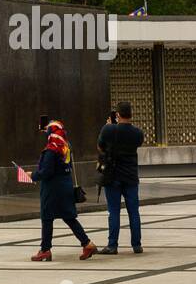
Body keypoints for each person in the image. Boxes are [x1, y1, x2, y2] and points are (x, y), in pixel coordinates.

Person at [30, 119, 97, 262]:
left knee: (47, 218)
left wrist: (32, 175)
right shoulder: (66, 146)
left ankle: (45, 250)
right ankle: (87, 244)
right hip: (66, 185)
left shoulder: (51, 150)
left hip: (52, 189)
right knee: (69, 217)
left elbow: (46, 172)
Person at [98, 101, 145, 255]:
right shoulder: (138, 133)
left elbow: (100, 147)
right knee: (134, 212)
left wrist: (109, 126)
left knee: (114, 212)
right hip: (131, 176)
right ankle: (136, 245)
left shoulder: (108, 129)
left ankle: (112, 245)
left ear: (117, 115)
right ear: (131, 115)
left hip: (113, 176)